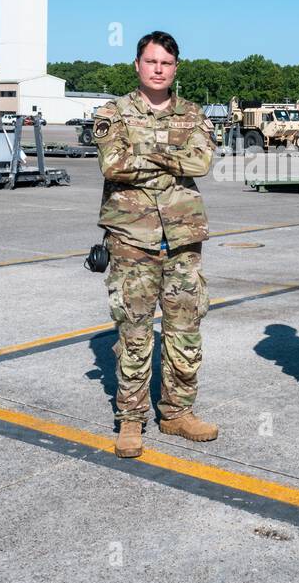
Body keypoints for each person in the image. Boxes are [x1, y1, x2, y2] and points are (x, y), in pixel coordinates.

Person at [93, 31, 218, 458]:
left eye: (166, 63)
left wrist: (145, 154)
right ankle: (131, 419)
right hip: (132, 239)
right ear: (137, 65)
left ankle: (177, 412)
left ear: (175, 67)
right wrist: (170, 157)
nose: (158, 69)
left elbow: (201, 162)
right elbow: (113, 163)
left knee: (185, 331)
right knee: (134, 332)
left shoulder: (194, 113)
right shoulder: (114, 112)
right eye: (151, 62)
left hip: (182, 239)